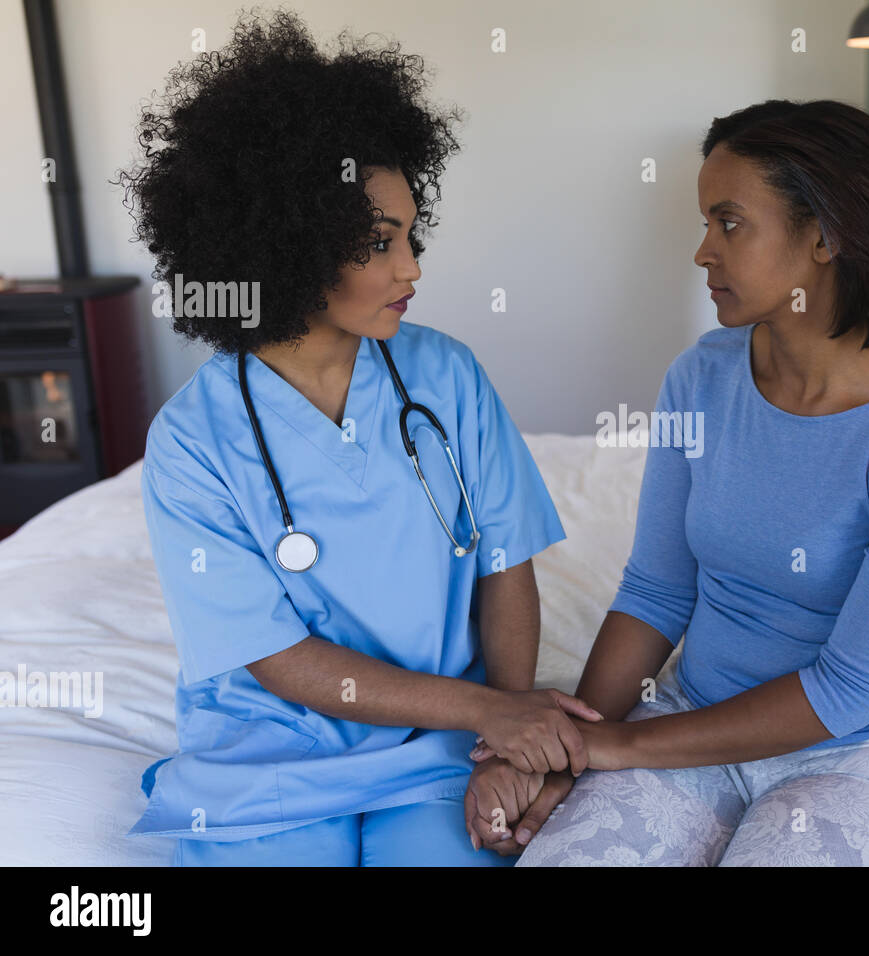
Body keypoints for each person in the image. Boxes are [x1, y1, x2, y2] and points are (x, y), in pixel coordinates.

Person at [114, 9, 597, 866]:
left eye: (411, 234)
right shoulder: (191, 441)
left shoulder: (445, 376)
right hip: (276, 753)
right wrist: (486, 711)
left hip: (442, 738)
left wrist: (503, 730)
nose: (413, 268)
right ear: (285, 250)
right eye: (380, 243)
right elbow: (274, 657)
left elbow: (505, 564)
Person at [466, 100, 869, 866]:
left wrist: (612, 748)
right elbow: (654, 591)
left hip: (864, 751)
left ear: (826, 235)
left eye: (729, 222)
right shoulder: (703, 378)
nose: (702, 251)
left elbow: (846, 690)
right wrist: (567, 751)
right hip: (689, 711)